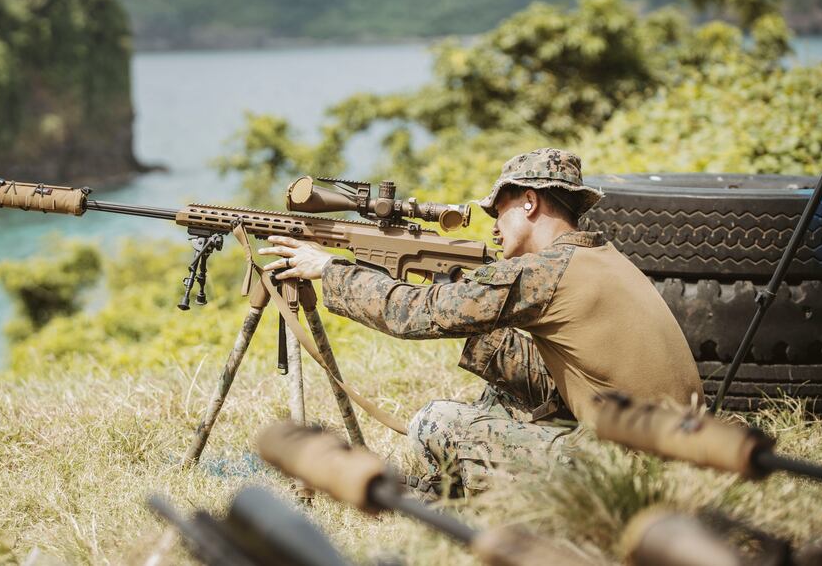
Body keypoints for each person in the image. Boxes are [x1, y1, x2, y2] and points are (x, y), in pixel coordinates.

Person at [258, 148, 702, 495]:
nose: (492, 226)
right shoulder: (605, 256)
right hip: (689, 455)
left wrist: (330, 270)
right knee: (499, 348)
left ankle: (462, 485)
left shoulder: (541, 272)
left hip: (632, 476)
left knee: (437, 421)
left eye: (498, 210)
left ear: (529, 202)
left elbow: (414, 315)